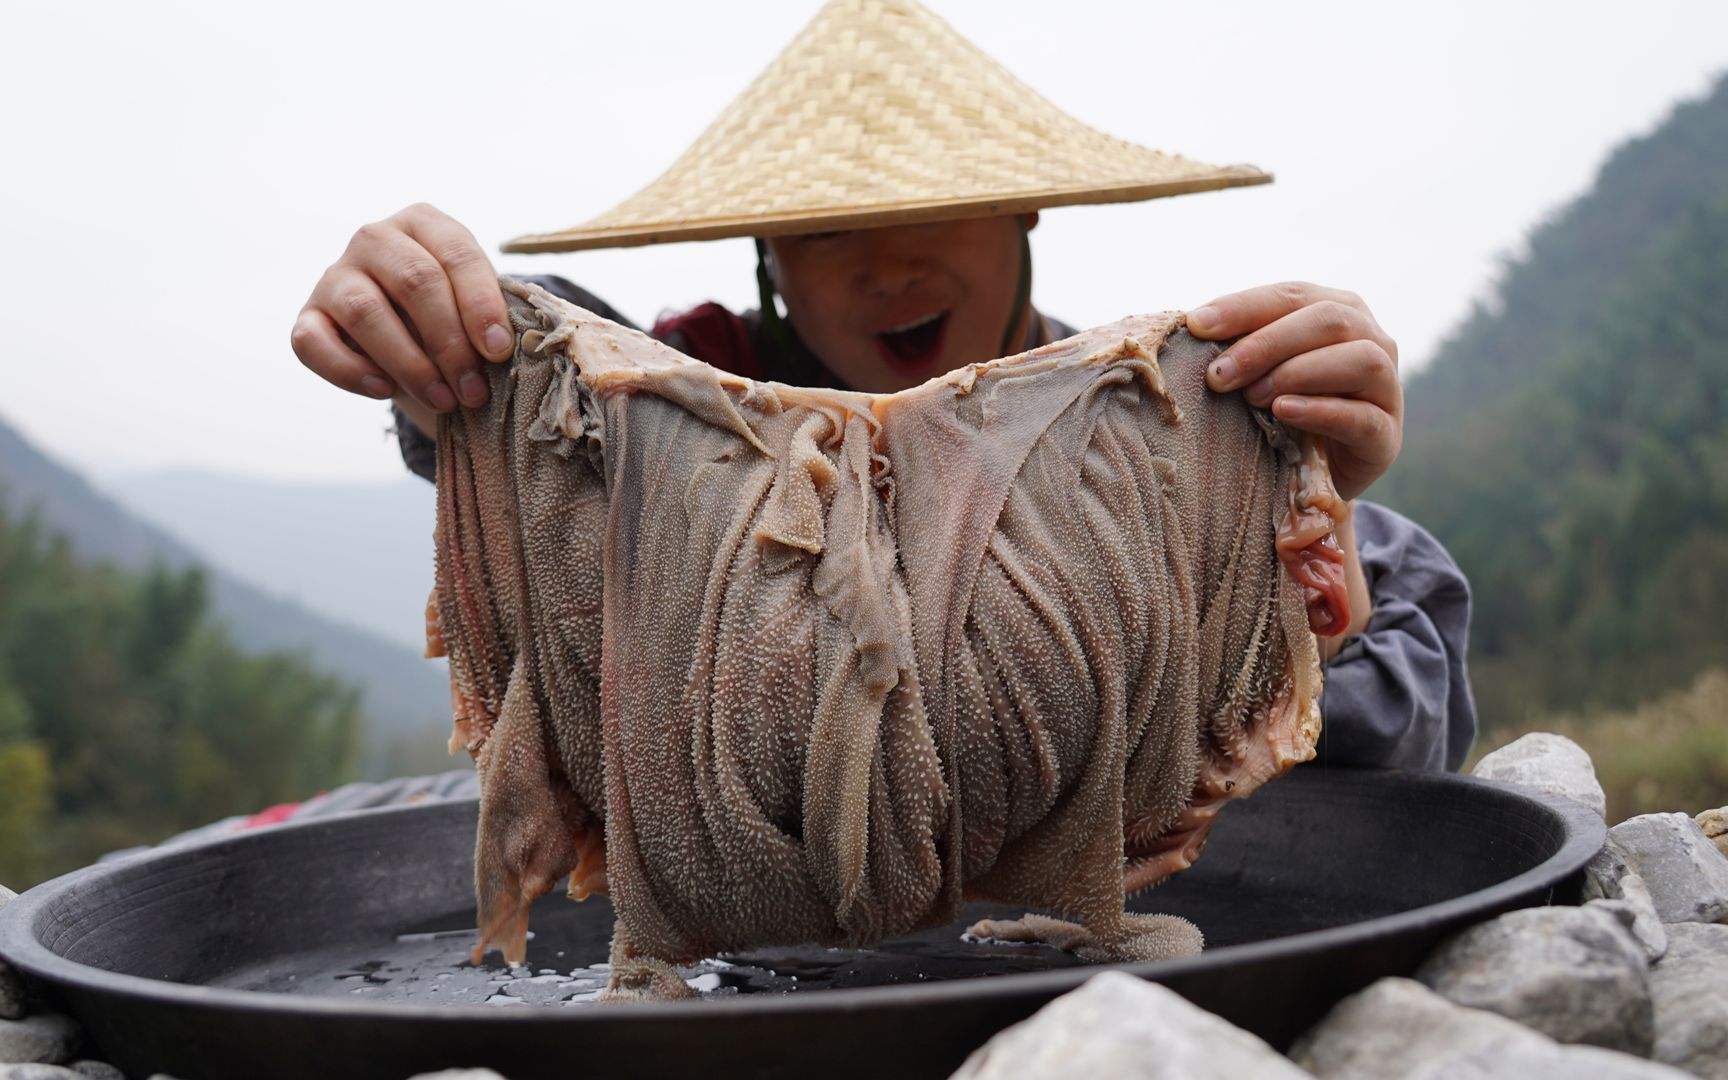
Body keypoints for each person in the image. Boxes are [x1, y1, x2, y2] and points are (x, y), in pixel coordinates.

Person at [290, 0, 1475, 772]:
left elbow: (1400, 747)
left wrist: (1311, 521)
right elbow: (555, 387)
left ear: (1025, 209)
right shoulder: (681, 420)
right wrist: (439, 333)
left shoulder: (1167, 433)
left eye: (939, 208)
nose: (888, 266)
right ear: (765, 258)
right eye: (824, 231)